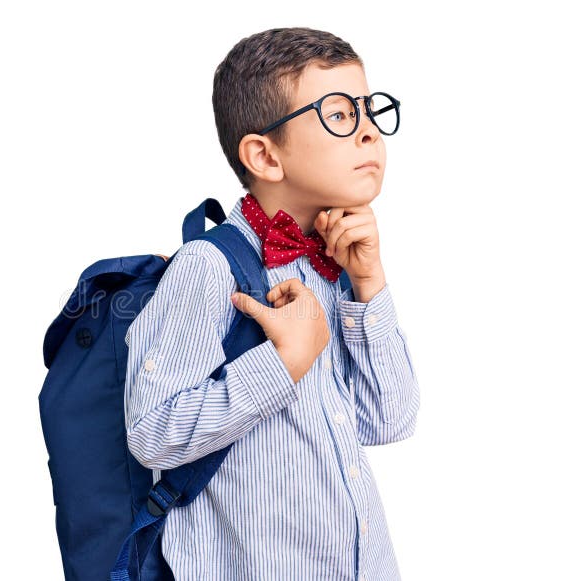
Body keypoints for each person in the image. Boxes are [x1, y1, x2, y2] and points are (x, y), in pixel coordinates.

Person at [124, 26, 420, 581]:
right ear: (264, 155)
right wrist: (282, 363)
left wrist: (369, 284)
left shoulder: (333, 264)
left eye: (368, 110)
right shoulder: (208, 268)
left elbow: (388, 418)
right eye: (338, 115)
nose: (368, 135)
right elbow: (151, 433)